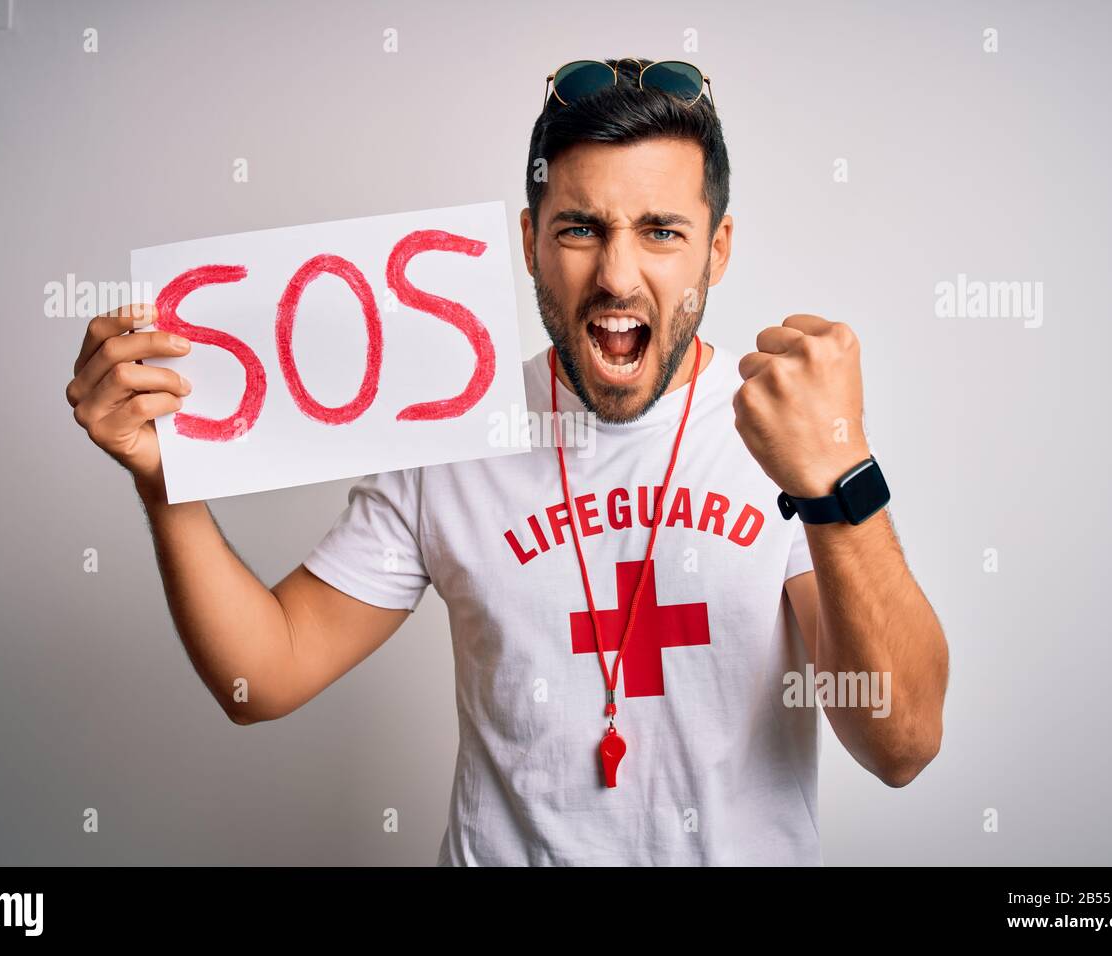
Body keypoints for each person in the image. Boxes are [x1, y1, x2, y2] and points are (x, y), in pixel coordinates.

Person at [64, 56, 948, 866]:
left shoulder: (785, 433)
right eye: (580, 229)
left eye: (661, 231)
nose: (617, 274)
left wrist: (838, 480)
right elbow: (266, 673)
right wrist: (164, 475)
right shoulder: (451, 426)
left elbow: (900, 743)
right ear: (529, 240)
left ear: (717, 248)